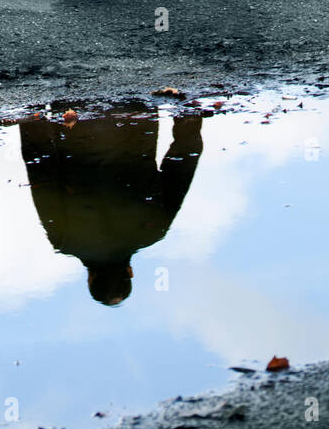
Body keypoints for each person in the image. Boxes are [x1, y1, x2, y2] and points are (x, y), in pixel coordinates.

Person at [19, 106, 203, 305]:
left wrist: (188, 112)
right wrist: (32, 117)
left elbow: (184, 159)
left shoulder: (154, 230)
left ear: (130, 272)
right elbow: (40, 171)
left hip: (136, 113)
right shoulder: (65, 239)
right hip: (74, 117)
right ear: (90, 279)